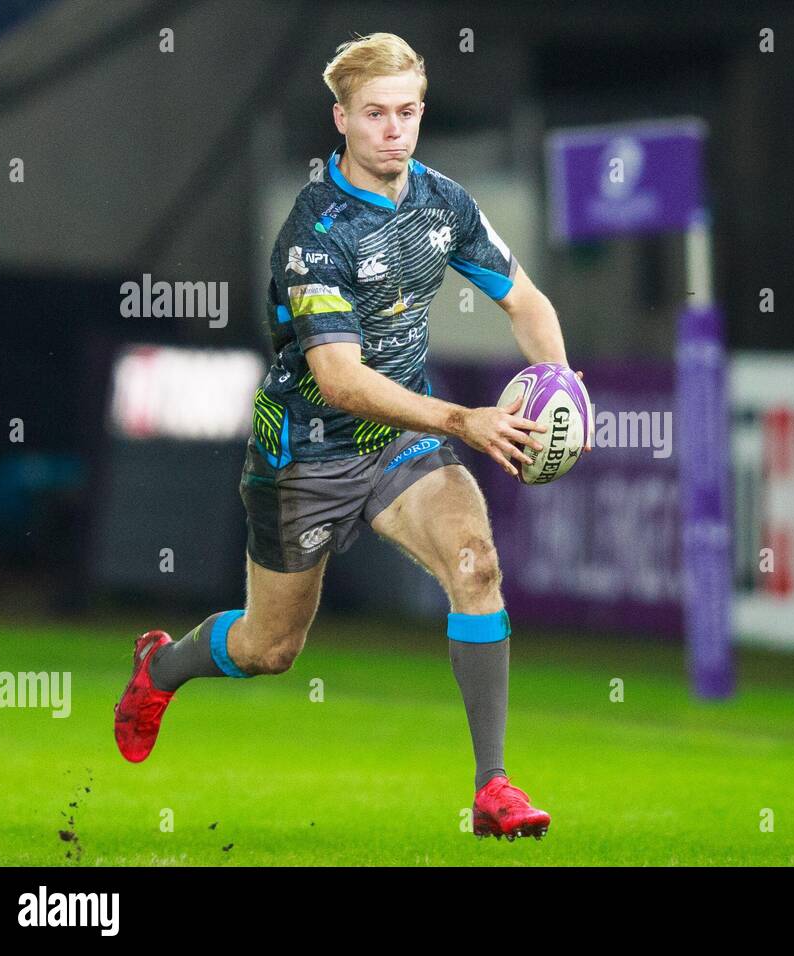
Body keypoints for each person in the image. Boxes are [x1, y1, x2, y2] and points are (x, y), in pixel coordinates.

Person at [115, 32, 580, 841]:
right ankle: (160, 667)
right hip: (305, 451)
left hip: (399, 445)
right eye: (375, 114)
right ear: (341, 119)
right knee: (270, 647)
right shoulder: (315, 231)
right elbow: (340, 380)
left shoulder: (443, 202)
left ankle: (493, 789)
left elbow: (526, 301)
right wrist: (462, 419)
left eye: (407, 112)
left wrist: (562, 385)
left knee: (477, 565)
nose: (393, 130)